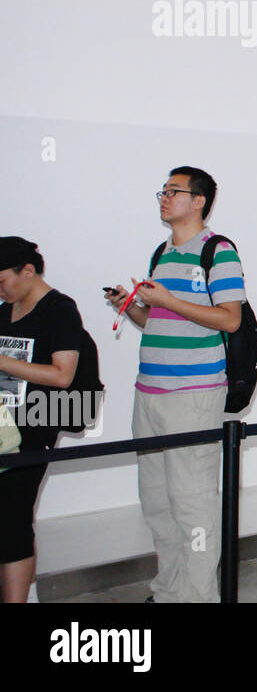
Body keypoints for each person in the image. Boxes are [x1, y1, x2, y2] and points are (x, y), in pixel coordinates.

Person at [106, 166, 244, 603]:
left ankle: (197, 596)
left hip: (195, 395)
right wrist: (131, 308)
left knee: (193, 504)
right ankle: (168, 590)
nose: (164, 198)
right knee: (157, 503)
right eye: (162, 192)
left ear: (199, 200)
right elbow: (158, 323)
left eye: (173, 191)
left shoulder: (218, 251)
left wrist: (166, 298)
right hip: (148, 392)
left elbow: (230, 318)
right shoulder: (161, 254)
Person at [0, 238, 84, 604]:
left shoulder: (60, 310)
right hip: (5, 427)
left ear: (28, 271)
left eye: (2, 280)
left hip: (36, 425)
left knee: (13, 518)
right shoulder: (7, 310)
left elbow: (62, 375)